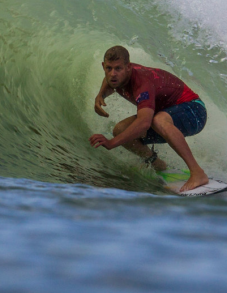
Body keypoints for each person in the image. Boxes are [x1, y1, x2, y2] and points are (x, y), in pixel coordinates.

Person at [90, 45, 210, 192]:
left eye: (118, 69)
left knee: (157, 121)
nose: (113, 74)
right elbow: (109, 80)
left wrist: (111, 143)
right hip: (168, 113)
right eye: (109, 68)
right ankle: (157, 164)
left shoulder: (142, 83)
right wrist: (100, 95)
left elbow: (144, 123)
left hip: (194, 111)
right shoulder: (117, 77)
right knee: (120, 130)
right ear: (103, 66)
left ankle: (197, 173)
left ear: (128, 67)